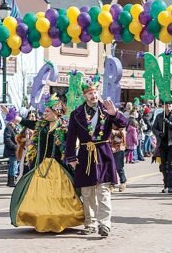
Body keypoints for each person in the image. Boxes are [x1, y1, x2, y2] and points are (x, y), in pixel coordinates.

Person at [8, 94, 84, 233]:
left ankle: (59, 220)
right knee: (40, 196)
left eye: (48, 111)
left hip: (58, 167)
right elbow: (25, 122)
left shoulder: (65, 127)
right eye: (45, 111)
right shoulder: (41, 125)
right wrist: (10, 114)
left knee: (58, 196)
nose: (45, 113)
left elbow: (74, 142)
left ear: (56, 112)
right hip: (41, 166)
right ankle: (40, 220)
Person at [65, 78, 127, 237]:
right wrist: (71, 157)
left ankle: (105, 224)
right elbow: (71, 137)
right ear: (84, 96)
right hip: (85, 154)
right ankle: (90, 222)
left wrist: (115, 114)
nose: (93, 96)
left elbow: (123, 124)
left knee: (104, 190)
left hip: (103, 153)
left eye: (95, 92)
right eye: (89, 93)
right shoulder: (76, 114)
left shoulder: (107, 110)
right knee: (87, 191)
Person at [152, 100, 172, 194]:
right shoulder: (159, 116)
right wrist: (158, 134)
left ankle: (171, 186)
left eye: (170, 105)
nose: (168, 106)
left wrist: (168, 123)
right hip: (163, 143)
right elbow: (154, 128)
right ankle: (165, 185)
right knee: (163, 165)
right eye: (166, 105)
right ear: (164, 106)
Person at [14, 111, 36, 179]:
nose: (32, 117)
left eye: (33, 116)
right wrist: (24, 139)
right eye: (30, 116)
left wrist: (32, 138)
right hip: (25, 151)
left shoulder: (38, 127)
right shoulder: (24, 128)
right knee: (23, 169)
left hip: (34, 152)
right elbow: (18, 138)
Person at [110, 125, 127, 192]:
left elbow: (121, 135)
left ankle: (123, 182)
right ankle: (112, 184)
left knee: (119, 167)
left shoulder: (120, 125)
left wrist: (113, 132)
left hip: (119, 149)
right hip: (109, 149)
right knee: (111, 167)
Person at [3, 120, 18, 187]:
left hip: (15, 150)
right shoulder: (8, 128)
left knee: (14, 165)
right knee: (13, 165)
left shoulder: (13, 128)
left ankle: (11, 180)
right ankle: (11, 181)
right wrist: (15, 147)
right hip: (12, 150)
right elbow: (7, 139)